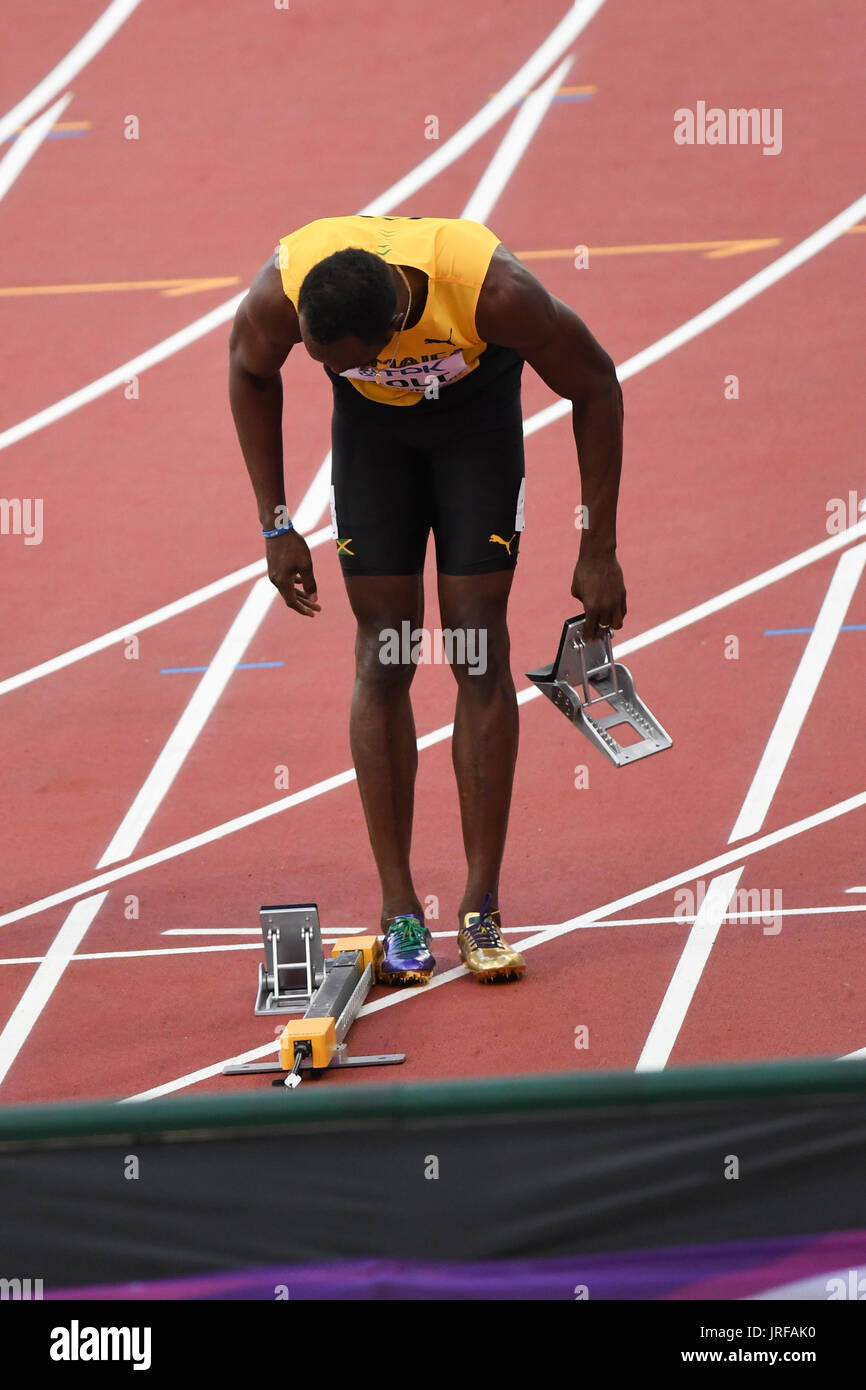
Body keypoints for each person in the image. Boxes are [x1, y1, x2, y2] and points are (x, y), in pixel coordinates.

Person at [229, 215, 625, 987]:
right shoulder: (285, 288)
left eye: (349, 361)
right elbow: (248, 370)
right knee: (385, 654)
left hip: (473, 429)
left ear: (396, 326)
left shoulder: (494, 292)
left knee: (477, 645)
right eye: (323, 362)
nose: (327, 367)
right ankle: (400, 907)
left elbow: (595, 381)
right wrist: (276, 523)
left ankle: (480, 906)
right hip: (375, 444)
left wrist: (599, 546)